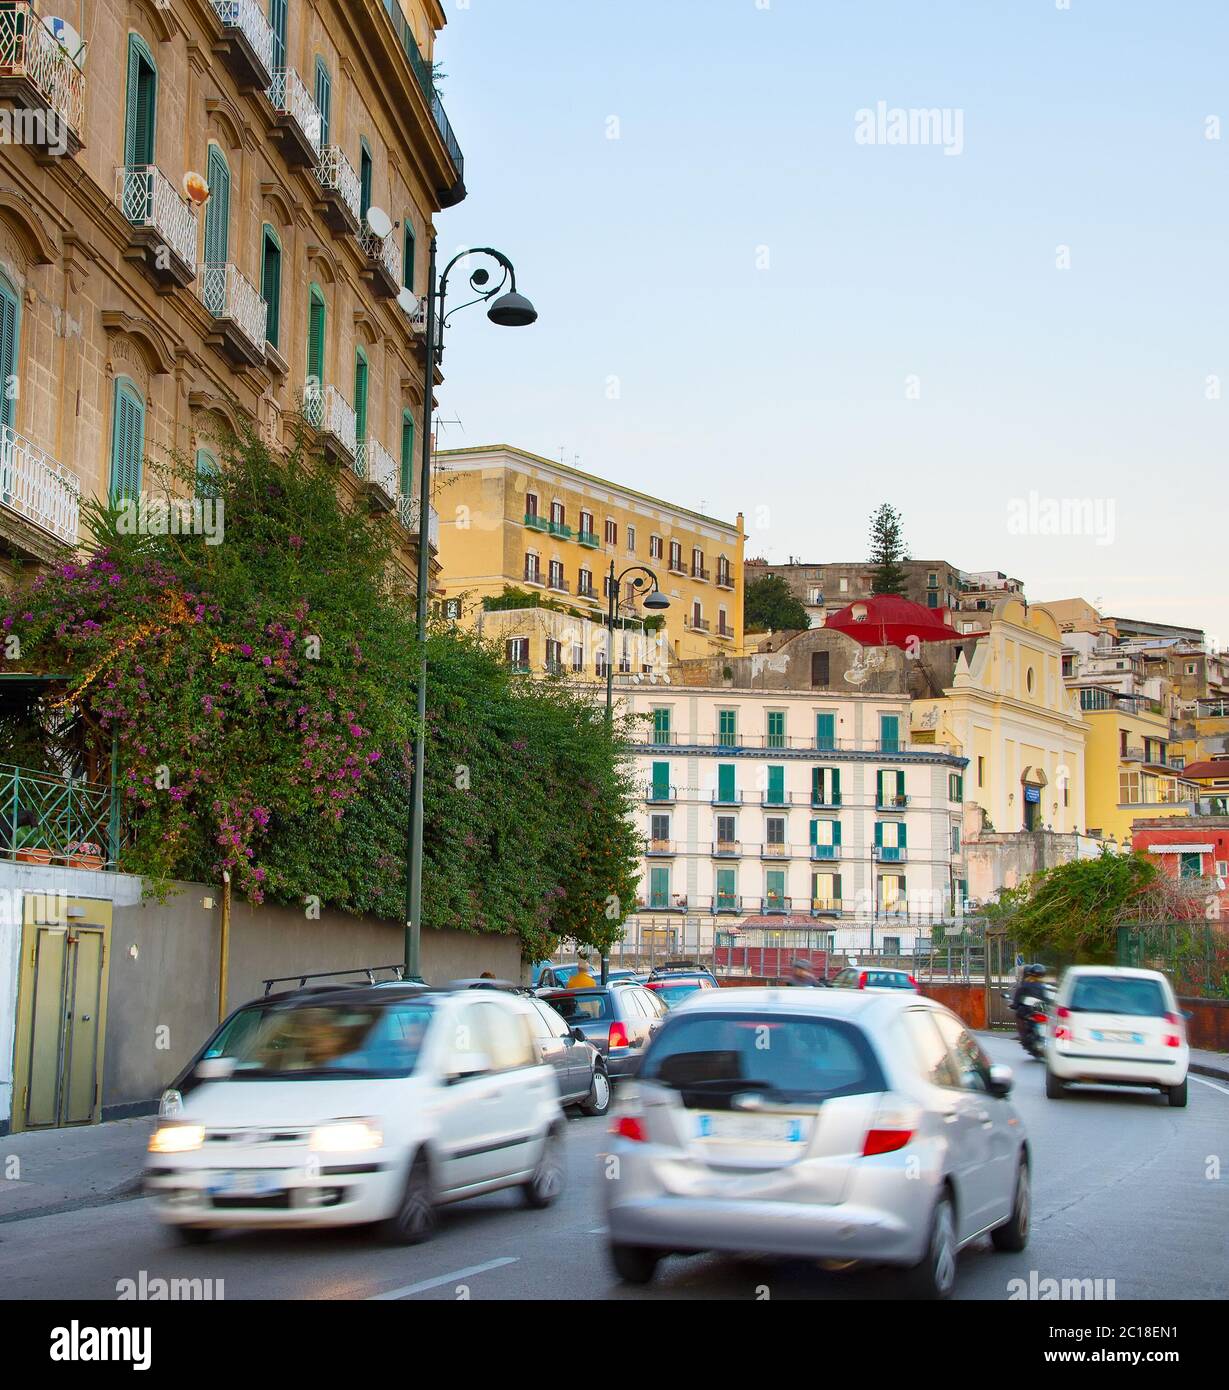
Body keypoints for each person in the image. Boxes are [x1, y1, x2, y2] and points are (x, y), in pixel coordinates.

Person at [1011, 963, 1049, 1043]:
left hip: (1028, 1010)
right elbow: (1047, 999)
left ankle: (1023, 1036)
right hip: (1041, 1010)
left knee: (1018, 1015)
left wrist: (1015, 1005)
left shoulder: (1026, 984)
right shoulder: (1044, 985)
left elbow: (1018, 996)